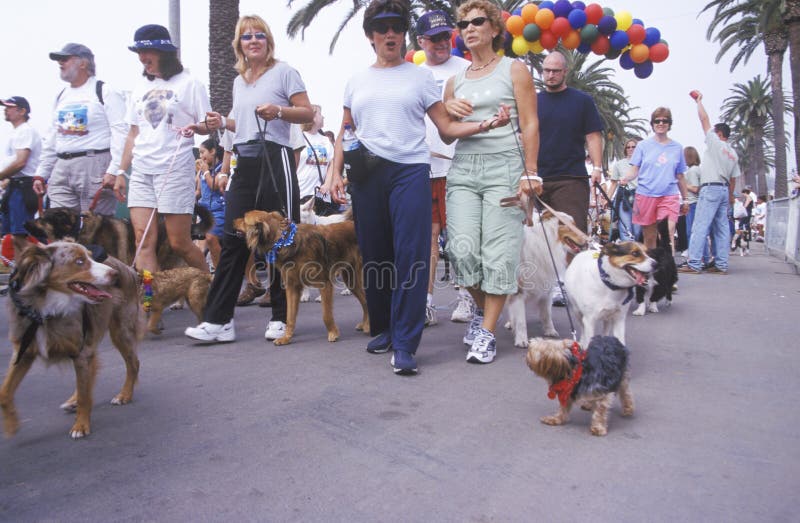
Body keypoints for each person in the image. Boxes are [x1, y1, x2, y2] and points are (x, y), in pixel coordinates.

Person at [322, 0, 514, 375]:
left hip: (409, 172)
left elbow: (446, 128)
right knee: (375, 255)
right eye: (382, 28)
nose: (390, 34)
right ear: (370, 37)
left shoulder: (420, 77)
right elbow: (346, 131)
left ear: (403, 34)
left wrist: (485, 125)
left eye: (396, 27)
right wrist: (334, 172)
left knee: (411, 255)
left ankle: (406, 343)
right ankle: (384, 329)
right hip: (366, 176)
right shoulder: (356, 80)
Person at [185, 14, 314, 343]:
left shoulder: (284, 72)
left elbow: (307, 112)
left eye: (259, 35)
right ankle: (219, 320)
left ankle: (281, 316)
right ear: (239, 44)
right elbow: (238, 123)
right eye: (246, 37)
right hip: (246, 160)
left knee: (282, 236)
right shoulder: (239, 80)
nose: (253, 40)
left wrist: (280, 112)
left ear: (268, 41)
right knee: (233, 237)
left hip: (277, 156)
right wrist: (220, 121)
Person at [442, 0, 539, 364]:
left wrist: (530, 171)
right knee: (462, 251)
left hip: (505, 168)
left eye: (477, 21)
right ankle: (487, 317)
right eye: (463, 23)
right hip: (464, 169)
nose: (469, 28)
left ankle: (485, 333)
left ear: (495, 29)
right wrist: (447, 109)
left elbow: (530, 123)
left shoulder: (514, 70)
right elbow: (448, 134)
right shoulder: (454, 81)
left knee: (498, 255)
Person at [113, 25, 221, 274]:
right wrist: (121, 171)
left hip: (174, 168)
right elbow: (133, 133)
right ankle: (152, 304)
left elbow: (207, 124)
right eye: (138, 53)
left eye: (147, 51)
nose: (142, 58)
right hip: (141, 170)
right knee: (142, 241)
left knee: (179, 242)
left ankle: (211, 293)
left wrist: (199, 126)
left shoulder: (190, 83)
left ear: (164, 51)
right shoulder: (139, 86)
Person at [416, 9, 471, 327]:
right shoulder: (414, 72)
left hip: (459, 164)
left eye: (445, 36)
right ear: (421, 41)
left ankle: (466, 296)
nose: (441, 43)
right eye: (434, 38)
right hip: (424, 167)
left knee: (460, 235)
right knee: (429, 238)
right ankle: (425, 302)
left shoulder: (466, 69)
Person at [35, 43, 128, 216]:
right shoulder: (62, 95)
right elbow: (53, 136)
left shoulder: (104, 91)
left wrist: (114, 170)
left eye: (65, 59)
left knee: (94, 228)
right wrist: (42, 173)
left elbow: (120, 133)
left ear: (83, 63)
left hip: (94, 163)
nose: (60, 63)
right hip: (62, 166)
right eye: (59, 60)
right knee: (58, 225)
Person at [536, 50, 604, 235]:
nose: (550, 75)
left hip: (571, 180)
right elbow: (522, 137)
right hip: (537, 180)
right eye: (547, 70)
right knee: (539, 241)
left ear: (565, 71)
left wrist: (597, 168)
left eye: (556, 71)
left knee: (574, 237)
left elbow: (593, 135)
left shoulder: (582, 101)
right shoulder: (532, 102)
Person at [679, 91, 741, 275]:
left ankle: (694, 263)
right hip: (723, 190)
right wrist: (730, 197)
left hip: (711, 188)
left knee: (700, 226)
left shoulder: (715, 143)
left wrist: (698, 102)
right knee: (721, 228)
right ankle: (721, 264)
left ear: (719, 133)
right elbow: (733, 178)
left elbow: (704, 120)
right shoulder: (733, 153)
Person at [620, 107, 689, 254]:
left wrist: (686, 199)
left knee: (668, 231)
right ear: (652, 124)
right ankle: (650, 268)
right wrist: (626, 178)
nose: (661, 123)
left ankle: (668, 268)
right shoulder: (643, 146)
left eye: (665, 120)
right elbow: (635, 169)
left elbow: (680, 176)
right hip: (646, 194)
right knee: (649, 236)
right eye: (657, 120)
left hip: (669, 195)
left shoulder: (677, 148)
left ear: (669, 124)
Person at [0, 97, 42, 261]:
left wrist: (2, 176)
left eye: (10, 107)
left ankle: (49, 263)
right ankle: (20, 274)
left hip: (24, 186)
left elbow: (20, 162)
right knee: (15, 236)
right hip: (15, 185)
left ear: (22, 111)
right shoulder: (18, 132)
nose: (6, 110)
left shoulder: (25, 131)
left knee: (21, 236)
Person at [196, 138, 226, 268]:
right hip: (204, 211)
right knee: (201, 246)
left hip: (218, 209)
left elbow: (214, 185)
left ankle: (220, 270)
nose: (201, 156)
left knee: (211, 238)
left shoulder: (222, 168)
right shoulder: (202, 171)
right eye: (199, 154)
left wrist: (206, 171)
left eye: (203, 152)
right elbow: (198, 191)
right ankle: (212, 270)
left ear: (213, 151)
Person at [607, 137, 641, 241]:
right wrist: (606, 199)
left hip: (639, 198)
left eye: (633, 147)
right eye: (628, 147)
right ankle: (628, 254)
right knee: (625, 227)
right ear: (625, 149)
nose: (631, 149)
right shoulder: (619, 164)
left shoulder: (643, 163)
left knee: (638, 229)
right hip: (624, 197)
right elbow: (613, 184)